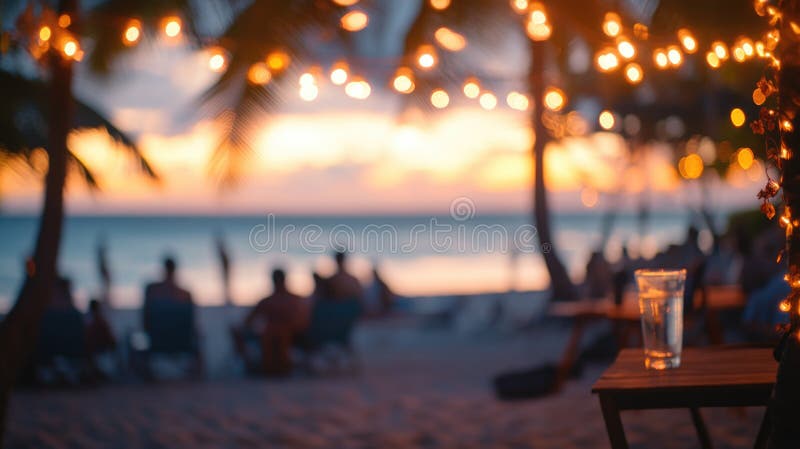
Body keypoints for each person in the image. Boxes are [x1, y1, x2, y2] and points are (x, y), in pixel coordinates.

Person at [242, 269, 311, 376]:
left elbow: (247, 321)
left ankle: (272, 368)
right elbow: (248, 321)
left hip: (290, 337)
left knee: (277, 332)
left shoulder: (269, 301)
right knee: (273, 332)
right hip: (280, 336)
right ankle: (274, 368)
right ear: (285, 280)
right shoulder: (293, 299)